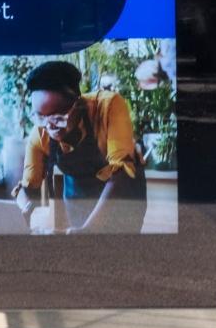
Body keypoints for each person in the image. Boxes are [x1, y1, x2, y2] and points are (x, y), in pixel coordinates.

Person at [15, 61, 147, 234]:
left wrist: (89, 229)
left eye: (59, 118)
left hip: (121, 199)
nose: (50, 127)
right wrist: (25, 211)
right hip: (78, 201)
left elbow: (119, 175)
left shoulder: (108, 106)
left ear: (78, 105)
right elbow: (28, 188)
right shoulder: (40, 133)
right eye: (41, 117)